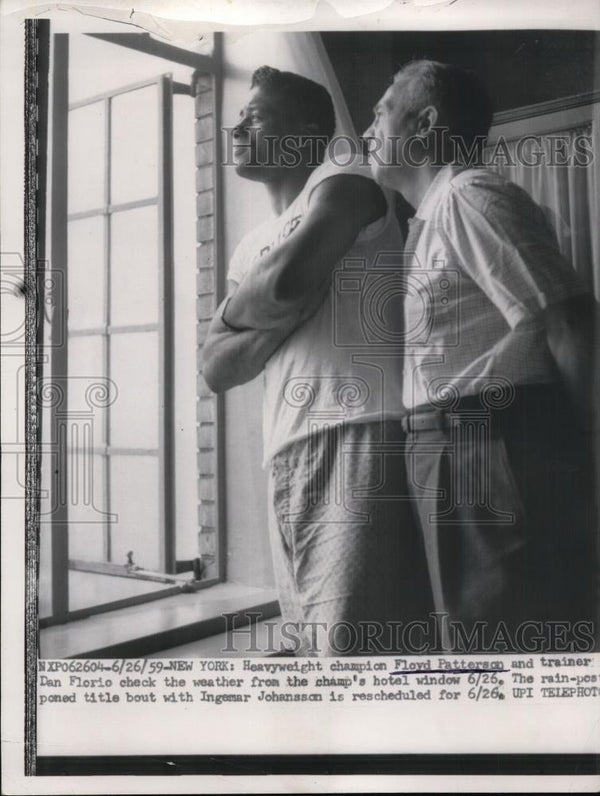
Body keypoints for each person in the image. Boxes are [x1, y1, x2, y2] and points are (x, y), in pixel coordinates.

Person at [363, 59, 598, 652]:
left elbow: (567, 321)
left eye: (382, 110)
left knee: (504, 642)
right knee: (474, 640)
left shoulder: (471, 195)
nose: (368, 128)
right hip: (448, 450)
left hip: (489, 446)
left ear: (425, 123)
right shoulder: (433, 215)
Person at [202, 66, 433, 656]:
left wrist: (244, 318)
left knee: (350, 655)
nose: (235, 130)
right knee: (315, 652)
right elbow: (215, 368)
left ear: (306, 135)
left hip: (357, 435)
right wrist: (257, 324)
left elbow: (285, 284)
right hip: (285, 454)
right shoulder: (247, 243)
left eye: (254, 118)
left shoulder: (347, 184)